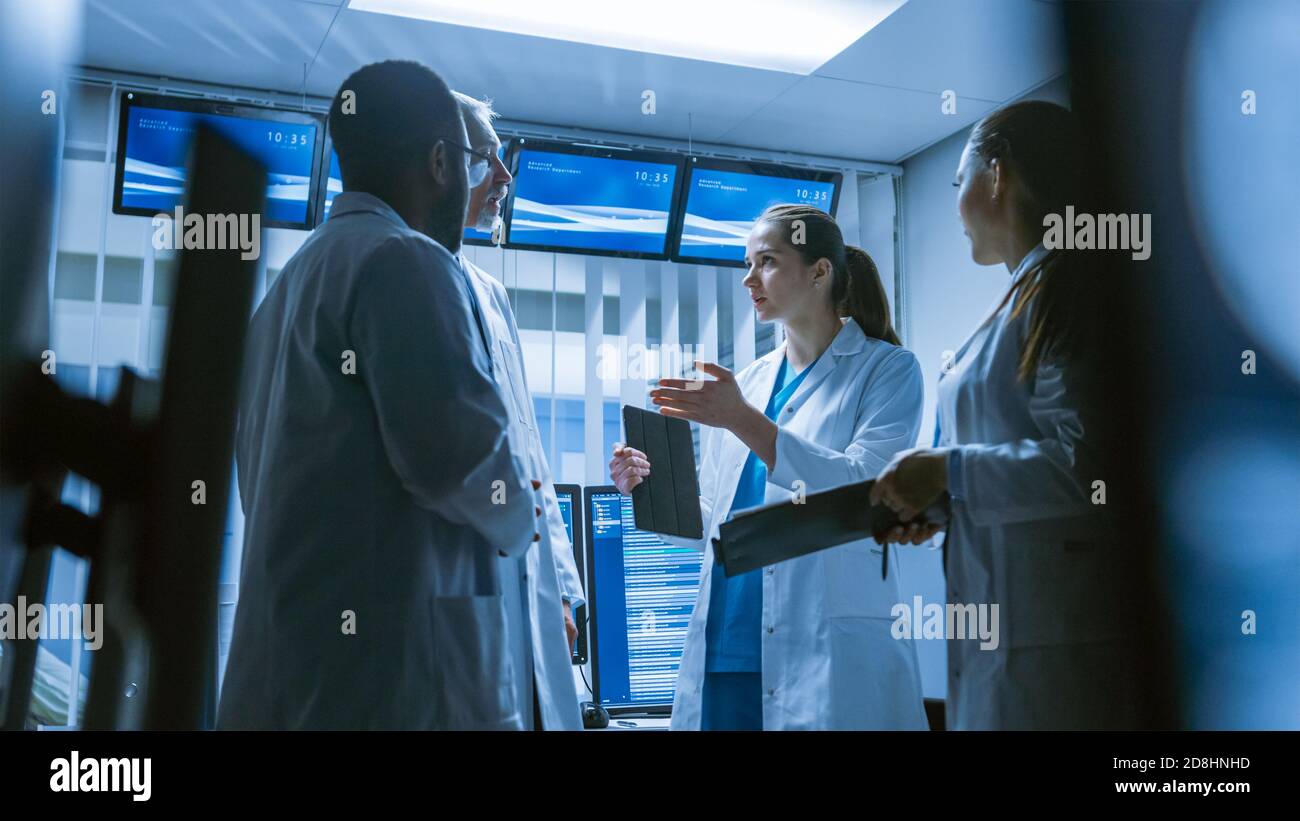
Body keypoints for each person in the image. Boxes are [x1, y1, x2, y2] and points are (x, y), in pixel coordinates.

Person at [218, 61, 541, 730]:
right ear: (440, 163)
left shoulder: (288, 287)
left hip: (305, 667)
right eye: (475, 163)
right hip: (391, 683)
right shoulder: (407, 261)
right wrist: (526, 513)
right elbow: (457, 461)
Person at [870, 100, 1139, 729]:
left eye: (959, 182)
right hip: (1009, 642)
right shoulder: (1025, 296)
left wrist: (949, 472)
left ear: (997, 175)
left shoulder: (1070, 289)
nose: (957, 205)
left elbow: (1094, 469)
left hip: (1058, 656)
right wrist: (940, 504)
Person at [610, 205, 927, 730]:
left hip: (820, 644)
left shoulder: (886, 369)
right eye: (747, 263)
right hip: (728, 644)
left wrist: (741, 420)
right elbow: (712, 522)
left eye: (767, 262)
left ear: (820, 272)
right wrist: (646, 489)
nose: (748, 279)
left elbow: (869, 491)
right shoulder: (749, 384)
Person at [453, 91, 585, 730]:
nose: (505, 178)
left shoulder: (490, 294)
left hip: (524, 582)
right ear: (439, 163)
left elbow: (526, 448)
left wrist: (561, 583)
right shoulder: (393, 278)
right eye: (489, 160)